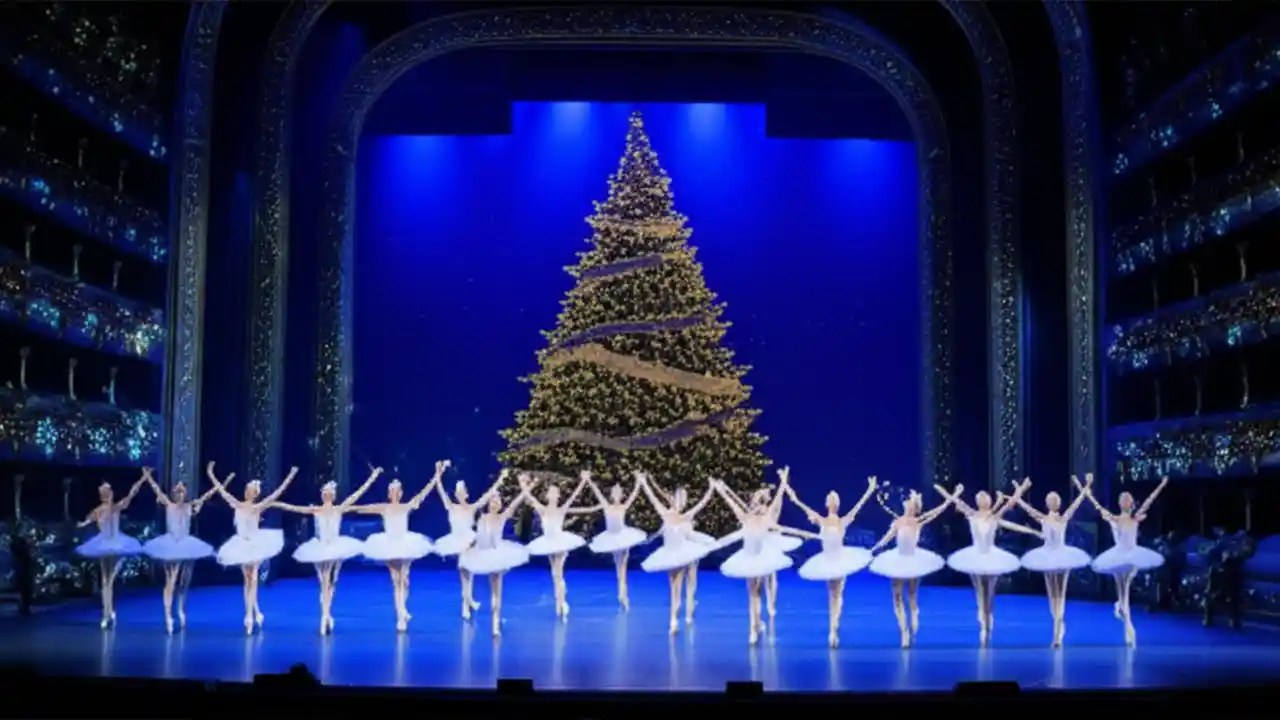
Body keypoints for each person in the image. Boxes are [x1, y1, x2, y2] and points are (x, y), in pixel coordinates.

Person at [273, 468, 382, 635]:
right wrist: (276, 503)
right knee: (323, 581)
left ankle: (326, 615)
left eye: (329, 493)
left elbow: (358, 494)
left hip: (335, 546)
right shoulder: (316, 509)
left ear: (333, 496)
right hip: (319, 547)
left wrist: (372, 477)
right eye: (325, 493)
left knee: (331, 580)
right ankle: (325, 615)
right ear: (322, 495)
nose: (327, 496)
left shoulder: (339, 509)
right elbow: (295, 508)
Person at [934, 480, 1039, 645]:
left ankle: (987, 619)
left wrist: (1022, 489)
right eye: (981, 499)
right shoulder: (972, 514)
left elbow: (1010, 507)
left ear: (988, 502)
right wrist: (944, 491)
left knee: (989, 592)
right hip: (975, 556)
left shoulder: (994, 517)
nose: (983, 502)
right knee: (979, 589)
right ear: (978, 502)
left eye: (985, 499)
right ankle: (983, 619)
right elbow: (955, 501)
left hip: (992, 556)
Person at [711, 478, 815, 645]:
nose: (759, 507)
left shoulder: (764, 519)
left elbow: (783, 525)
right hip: (748, 558)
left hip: (762, 555)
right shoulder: (747, 518)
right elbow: (732, 502)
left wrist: (807, 534)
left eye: (759, 503)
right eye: (757, 503)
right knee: (754, 594)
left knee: (756, 592)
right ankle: (755, 626)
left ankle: (756, 625)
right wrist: (721, 490)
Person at [353, 460, 448, 631]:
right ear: (389, 494)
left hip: (406, 543)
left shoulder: (406, 506)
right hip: (389, 544)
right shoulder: (383, 507)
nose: (395, 493)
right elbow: (359, 508)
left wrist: (438, 474)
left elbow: (426, 491)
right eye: (392, 491)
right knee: (396, 580)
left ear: (401, 493)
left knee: (405, 580)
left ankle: (403, 610)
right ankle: (401, 616)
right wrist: (344, 506)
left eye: (397, 490)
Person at [785, 475, 879, 647]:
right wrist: (787, 487)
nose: (832, 500)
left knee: (838, 593)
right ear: (827, 503)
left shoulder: (843, 521)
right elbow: (798, 503)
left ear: (837, 504)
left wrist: (870, 489)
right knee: (832, 594)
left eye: (835, 498)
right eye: (830, 498)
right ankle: (832, 629)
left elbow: (859, 506)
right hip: (826, 560)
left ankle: (835, 626)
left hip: (841, 559)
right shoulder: (821, 520)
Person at [1077, 475, 1169, 646]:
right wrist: (1086, 491)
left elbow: (1150, 500)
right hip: (1118, 555)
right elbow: (1097, 506)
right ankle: (1127, 623)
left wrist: (1162, 484)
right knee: (1122, 588)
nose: (1126, 502)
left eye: (1128, 500)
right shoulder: (1115, 519)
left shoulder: (1135, 518)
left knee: (1125, 588)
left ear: (1131, 503)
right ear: (1120, 503)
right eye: (1123, 500)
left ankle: (1124, 615)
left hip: (1132, 554)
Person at [206, 461, 297, 635]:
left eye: (253, 491)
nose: (249, 492)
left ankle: (249, 616)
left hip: (254, 544)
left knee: (253, 578)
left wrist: (290, 476)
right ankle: (256, 611)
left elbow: (276, 494)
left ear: (255, 494)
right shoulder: (236, 504)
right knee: (246, 580)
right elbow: (220, 490)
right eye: (248, 489)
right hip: (240, 544)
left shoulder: (257, 507)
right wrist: (211, 473)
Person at [1003, 474, 1093, 647]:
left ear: (1058, 503)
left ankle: (1058, 632)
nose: (1053, 503)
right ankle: (1058, 624)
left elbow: (1077, 503)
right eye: (1050, 501)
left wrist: (1085, 486)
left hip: (1062, 555)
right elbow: (1025, 507)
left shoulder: (1063, 517)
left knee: (1061, 593)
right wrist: (1017, 494)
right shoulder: (1042, 518)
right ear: (1047, 504)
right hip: (1046, 556)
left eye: (1055, 501)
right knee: (1052, 595)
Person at [868, 487, 955, 648]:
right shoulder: (897, 522)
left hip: (914, 559)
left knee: (913, 596)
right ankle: (904, 632)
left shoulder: (918, 521)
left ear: (914, 507)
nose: (907, 503)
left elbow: (937, 511)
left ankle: (914, 619)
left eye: (910, 502)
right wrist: (874, 549)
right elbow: (886, 538)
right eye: (907, 501)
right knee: (897, 597)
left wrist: (952, 498)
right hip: (897, 559)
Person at [139, 467, 222, 633]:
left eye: (182, 491)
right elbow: (156, 488)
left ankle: (180, 609)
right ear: (173, 493)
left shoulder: (189, 507)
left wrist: (219, 484)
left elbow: (206, 497)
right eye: (177, 491)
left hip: (186, 544)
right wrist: (147, 476)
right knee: (171, 579)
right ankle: (168, 616)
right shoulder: (168, 504)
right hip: (170, 544)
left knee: (185, 580)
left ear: (185, 493)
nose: (179, 494)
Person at [637, 474, 717, 634]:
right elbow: (653, 497)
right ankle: (674, 618)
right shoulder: (665, 514)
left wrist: (711, 488)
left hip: (684, 552)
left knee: (682, 584)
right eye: (679, 498)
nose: (681, 502)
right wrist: (644, 482)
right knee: (673, 586)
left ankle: (680, 616)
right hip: (669, 553)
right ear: (673, 499)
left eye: (683, 499)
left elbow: (702, 503)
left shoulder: (686, 517)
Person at [458, 475, 536, 637]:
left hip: (497, 555)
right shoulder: (482, 518)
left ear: (500, 504)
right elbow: (478, 537)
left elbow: (517, 501)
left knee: (496, 592)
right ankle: (468, 605)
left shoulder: (502, 517)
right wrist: (469, 548)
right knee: (467, 574)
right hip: (481, 554)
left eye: (498, 501)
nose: (495, 503)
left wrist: (527, 486)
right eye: (493, 500)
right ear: (489, 504)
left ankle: (495, 624)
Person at [432, 470, 510, 620]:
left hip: (470, 541)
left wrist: (500, 479)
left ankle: (468, 604)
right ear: (456, 495)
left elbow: (487, 495)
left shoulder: (472, 507)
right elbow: (440, 491)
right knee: (464, 573)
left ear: (466, 494)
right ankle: (467, 603)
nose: (460, 494)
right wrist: (438, 474)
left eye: (462, 492)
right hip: (456, 542)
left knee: (468, 573)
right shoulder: (451, 506)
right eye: (458, 492)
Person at [75, 474, 146, 629]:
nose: (106, 496)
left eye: (107, 493)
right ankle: (107, 613)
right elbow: (88, 520)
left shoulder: (115, 508)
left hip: (116, 544)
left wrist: (142, 479)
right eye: (103, 493)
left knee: (109, 581)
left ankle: (108, 613)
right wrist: (82, 524)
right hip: (103, 544)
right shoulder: (98, 511)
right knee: (105, 582)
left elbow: (131, 495)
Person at [521, 472, 595, 619]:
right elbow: (529, 497)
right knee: (555, 575)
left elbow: (574, 495)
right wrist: (525, 485)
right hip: (548, 542)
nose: (553, 495)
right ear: (547, 496)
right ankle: (561, 599)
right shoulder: (542, 509)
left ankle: (561, 603)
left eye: (556, 493)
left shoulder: (562, 509)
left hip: (560, 542)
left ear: (558, 496)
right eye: (551, 492)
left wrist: (584, 480)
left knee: (557, 572)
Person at [583, 473, 646, 610]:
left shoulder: (623, 506)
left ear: (621, 495)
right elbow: (597, 492)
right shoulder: (606, 505)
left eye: (619, 492)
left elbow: (633, 496)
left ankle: (624, 593)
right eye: (614, 492)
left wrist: (639, 483)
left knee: (623, 564)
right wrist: (589, 480)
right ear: (612, 495)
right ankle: (621, 590)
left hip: (623, 535)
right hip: (612, 537)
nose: (617, 494)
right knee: (618, 565)